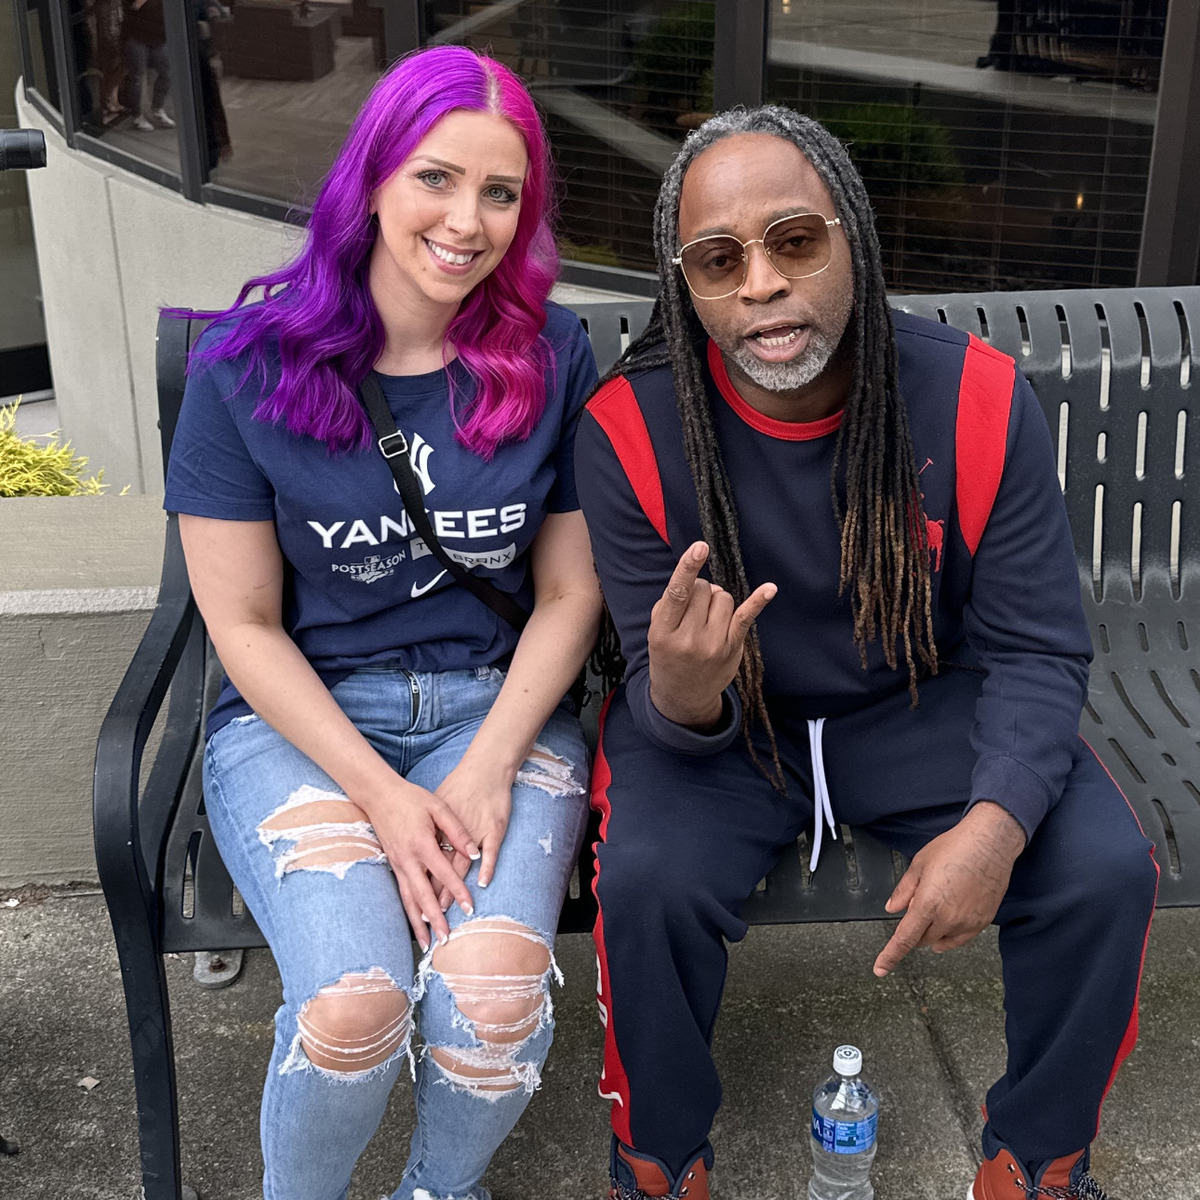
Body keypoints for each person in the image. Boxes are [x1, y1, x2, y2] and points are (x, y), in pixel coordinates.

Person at [574, 105, 1158, 1200]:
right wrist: (685, 697)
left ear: (853, 234)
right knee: (646, 881)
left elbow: (1037, 649)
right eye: (719, 260)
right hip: (731, 730)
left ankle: (1037, 1161)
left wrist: (994, 828)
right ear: (686, 285)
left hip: (921, 705)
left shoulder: (978, 397)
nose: (761, 284)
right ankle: (658, 1161)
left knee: (1102, 869)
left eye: (795, 240)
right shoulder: (628, 427)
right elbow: (656, 698)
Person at [164, 45, 601, 1200]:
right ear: (370, 179)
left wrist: (488, 766)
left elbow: (571, 593)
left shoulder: (550, 358)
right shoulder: (247, 369)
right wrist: (381, 795)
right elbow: (244, 625)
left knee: (494, 996)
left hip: (495, 715)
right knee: (353, 1006)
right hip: (304, 726)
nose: (467, 222)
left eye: (500, 192)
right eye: (435, 178)